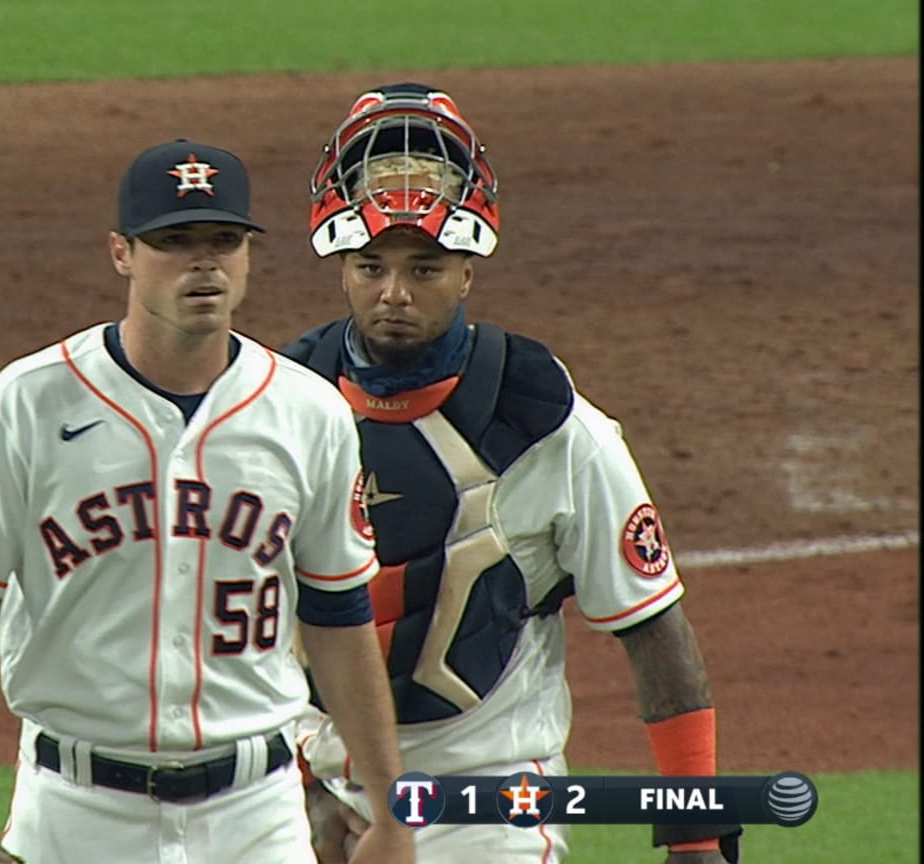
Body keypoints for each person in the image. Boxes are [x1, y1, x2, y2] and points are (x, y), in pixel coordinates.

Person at [0, 138, 417, 863]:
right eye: (174, 242)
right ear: (121, 253)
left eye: (224, 240)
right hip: (74, 813)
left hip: (255, 816)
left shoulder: (308, 411)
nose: (203, 262)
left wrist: (388, 805)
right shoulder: (30, 401)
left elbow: (336, 612)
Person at [281, 84, 742, 864]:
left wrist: (695, 835)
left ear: (468, 271)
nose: (394, 294)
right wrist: (294, 782)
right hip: (315, 783)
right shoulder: (284, 402)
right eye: (371, 267)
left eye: (425, 268)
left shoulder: (550, 424)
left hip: (487, 798)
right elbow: (237, 621)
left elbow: (653, 626)